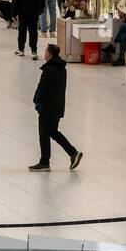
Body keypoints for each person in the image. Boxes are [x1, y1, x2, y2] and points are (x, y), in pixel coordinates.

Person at [29, 44, 82, 172]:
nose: (44, 53)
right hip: (57, 106)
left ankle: (45, 162)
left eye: (46, 51)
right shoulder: (61, 68)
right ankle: (73, 153)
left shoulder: (49, 70)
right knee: (52, 131)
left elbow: (42, 87)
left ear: (50, 54)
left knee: (44, 134)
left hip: (47, 107)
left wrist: (36, 100)